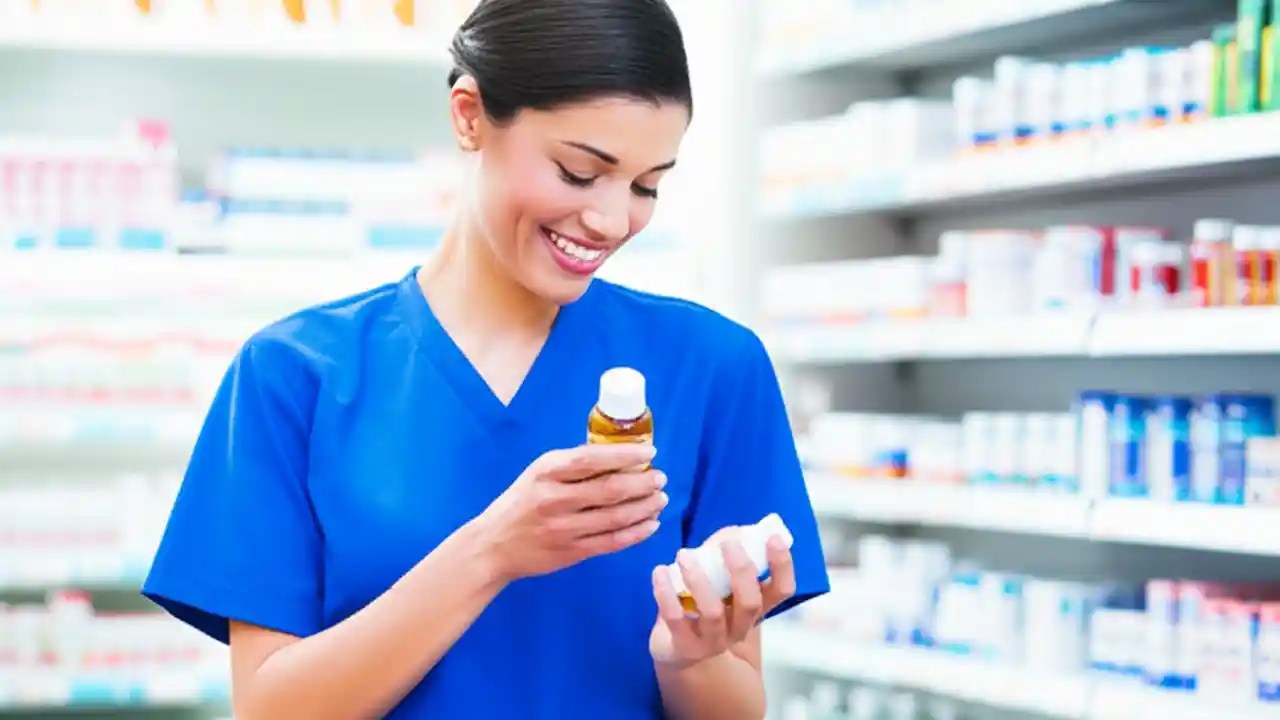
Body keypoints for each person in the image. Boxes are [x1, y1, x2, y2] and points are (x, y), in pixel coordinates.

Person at [142, 0, 829, 717]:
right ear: (469, 115)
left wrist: (691, 658)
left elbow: (740, 707)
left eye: (646, 185)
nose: (612, 219)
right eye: (577, 172)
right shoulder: (294, 376)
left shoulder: (714, 368)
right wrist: (494, 550)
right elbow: (270, 710)